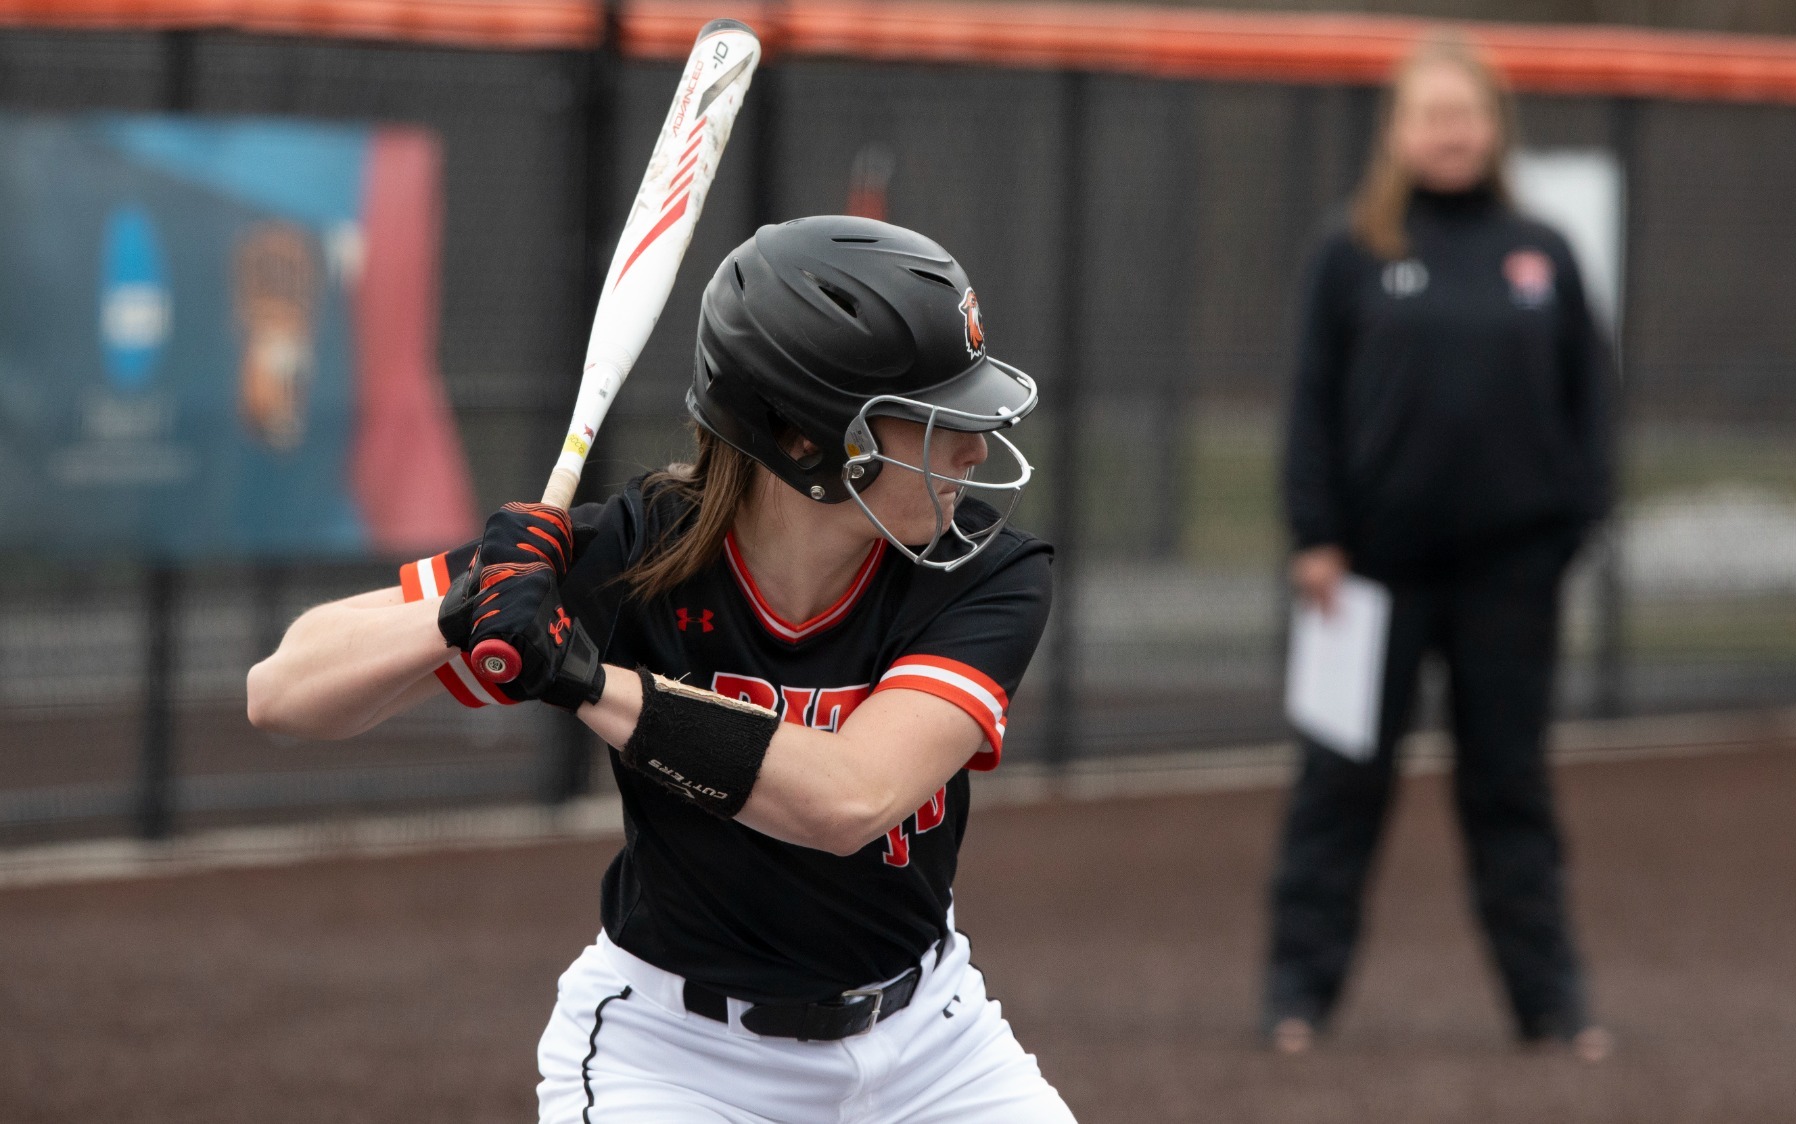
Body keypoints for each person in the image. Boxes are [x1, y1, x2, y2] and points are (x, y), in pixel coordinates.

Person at [247, 216, 1077, 1122]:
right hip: (678, 1059)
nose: (975, 449)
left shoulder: (984, 574)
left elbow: (850, 799)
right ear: (808, 442)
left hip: (932, 1046)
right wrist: (466, 610)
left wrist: (580, 677)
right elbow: (282, 692)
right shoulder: (636, 553)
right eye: (937, 418)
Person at [1264, 36, 1614, 1061]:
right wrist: (1315, 534)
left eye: (1465, 114)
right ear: (1398, 131)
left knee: (1508, 787)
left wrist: (1569, 529)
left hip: (1509, 577)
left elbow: (1589, 402)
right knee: (1338, 785)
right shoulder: (1349, 251)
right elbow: (1310, 406)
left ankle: (1550, 1006)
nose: (1448, 133)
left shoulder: (1540, 251)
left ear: (1493, 127)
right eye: (1429, 114)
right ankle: (1297, 995)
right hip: (1365, 574)